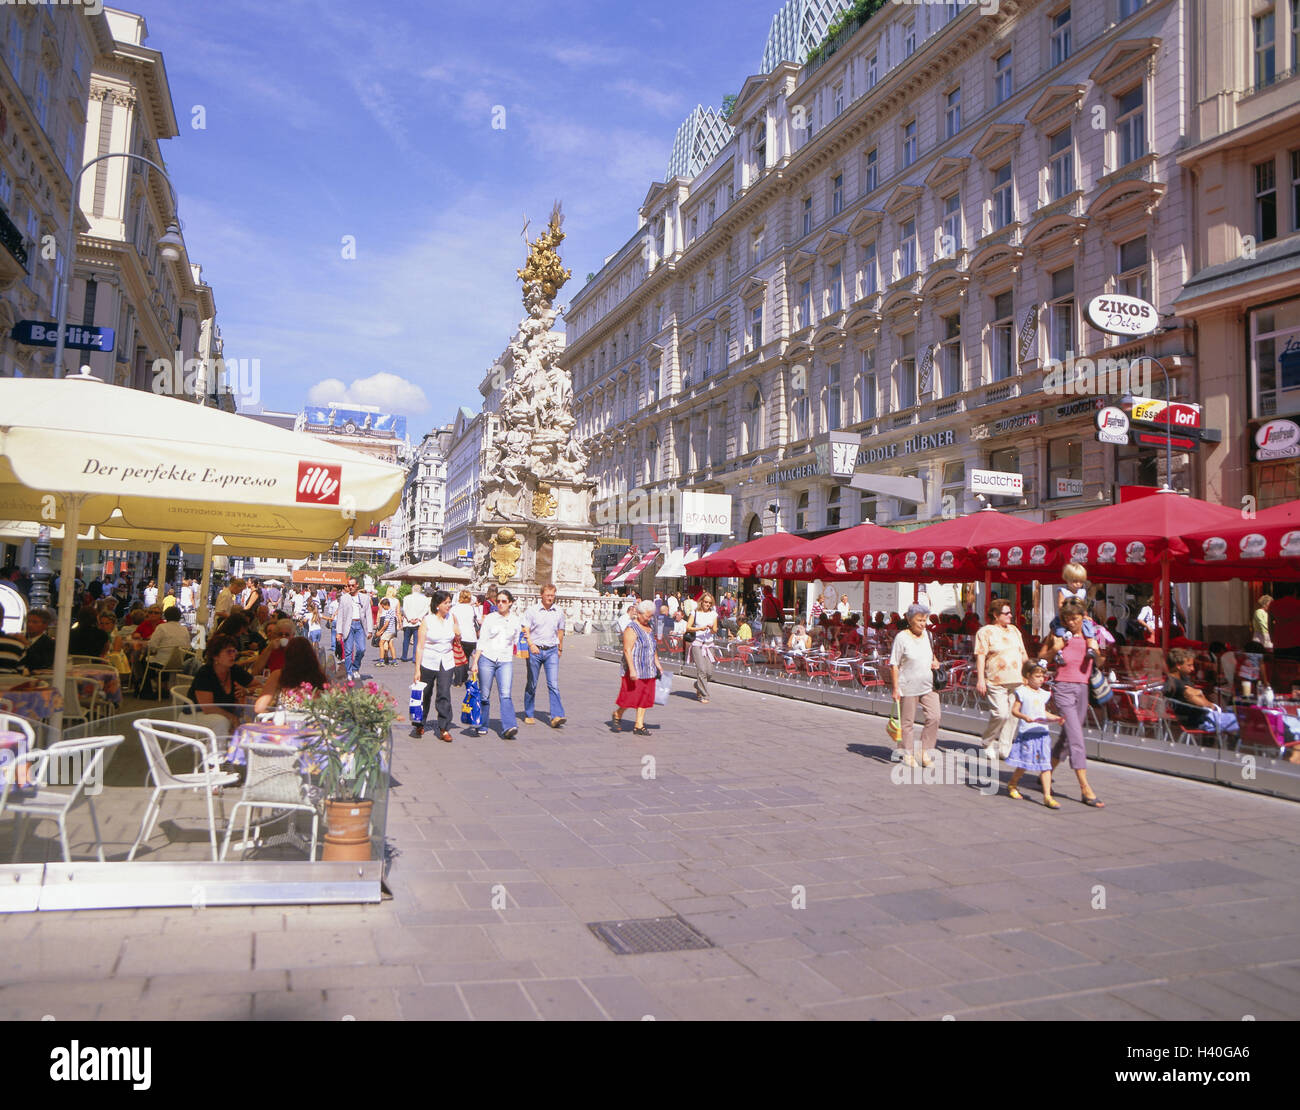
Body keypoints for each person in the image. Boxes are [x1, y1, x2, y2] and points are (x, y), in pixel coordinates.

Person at [1039, 598, 1104, 807]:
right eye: (1067, 618)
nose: (1070, 622)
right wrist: (1055, 648)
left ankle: (1046, 771)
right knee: (1076, 738)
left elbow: (1100, 661)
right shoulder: (1058, 634)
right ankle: (1085, 787)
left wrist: (1095, 649)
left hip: (1083, 687)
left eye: (1074, 618)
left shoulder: (1089, 634)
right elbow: (1040, 658)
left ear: (1083, 616)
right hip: (1063, 688)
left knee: (1067, 739)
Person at [975, 601, 1030, 760]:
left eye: (1010, 612)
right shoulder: (985, 632)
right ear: (995, 615)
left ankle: (1005, 748)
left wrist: (1029, 672)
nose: (1010, 615)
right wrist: (980, 679)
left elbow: (1023, 654)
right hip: (995, 680)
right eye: (1006, 613)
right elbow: (980, 656)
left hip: (1017, 679)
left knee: (1013, 715)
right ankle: (987, 741)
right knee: (1001, 714)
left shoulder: (1014, 630)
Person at [889, 603, 942, 768]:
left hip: (928, 684)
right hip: (908, 685)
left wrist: (935, 662)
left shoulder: (928, 635)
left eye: (924, 620)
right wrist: (896, 688)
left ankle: (925, 751)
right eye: (919, 620)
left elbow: (931, 655)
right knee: (907, 722)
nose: (922, 623)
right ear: (910, 620)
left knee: (934, 716)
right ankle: (908, 753)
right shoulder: (902, 638)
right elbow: (894, 664)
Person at [1006, 661, 1063, 807]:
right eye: (1037, 676)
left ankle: (1047, 796)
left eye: (1042, 676)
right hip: (1028, 733)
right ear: (1028, 676)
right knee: (1024, 763)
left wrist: (1055, 718)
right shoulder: (1023, 692)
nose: (1041, 679)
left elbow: (1042, 712)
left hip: (1042, 734)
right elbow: (1015, 710)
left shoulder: (1043, 694)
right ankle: (1013, 783)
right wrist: (1024, 717)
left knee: (1046, 766)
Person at [471, 588, 522, 740]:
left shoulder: (515, 620)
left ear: (510, 603)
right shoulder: (490, 619)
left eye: (504, 601)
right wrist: (475, 662)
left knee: (505, 694)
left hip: (505, 661)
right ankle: (483, 724)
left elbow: (516, 640)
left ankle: (509, 726)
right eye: (498, 601)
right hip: (487, 658)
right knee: (485, 694)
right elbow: (482, 641)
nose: (500, 604)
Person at [412, 590, 460, 742]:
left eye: (449, 602)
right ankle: (419, 723)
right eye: (446, 602)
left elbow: (458, 637)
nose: (449, 605)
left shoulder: (452, 618)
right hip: (428, 661)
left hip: (446, 661)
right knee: (425, 694)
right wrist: (417, 669)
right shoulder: (428, 620)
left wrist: (458, 633)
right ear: (438, 605)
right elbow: (419, 646)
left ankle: (444, 727)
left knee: (444, 693)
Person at [1163, 648, 1238, 736]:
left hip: (1202, 717)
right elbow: (1193, 697)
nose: (1193, 668)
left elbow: (1195, 694)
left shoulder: (1180, 679)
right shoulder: (1177, 683)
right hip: (1202, 720)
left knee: (1239, 715)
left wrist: (1199, 693)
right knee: (1243, 721)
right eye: (1189, 665)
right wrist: (1212, 705)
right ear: (1178, 665)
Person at [614, 600, 661, 736]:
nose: (649, 618)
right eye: (647, 616)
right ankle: (618, 713)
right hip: (635, 667)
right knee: (631, 697)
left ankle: (639, 725)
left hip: (649, 668)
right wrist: (632, 669)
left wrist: (657, 663)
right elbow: (627, 650)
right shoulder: (631, 628)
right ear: (639, 614)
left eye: (651, 616)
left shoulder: (650, 627)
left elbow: (653, 647)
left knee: (645, 696)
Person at [523, 583, 566, 728]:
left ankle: (556, 715)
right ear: (541, 595)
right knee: (532, 683)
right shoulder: (532, 610)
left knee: (553, 684)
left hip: (552, 650)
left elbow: (560, 631)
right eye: (548, 595)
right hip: (535, 650)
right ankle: (529, 713)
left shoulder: (558, 611)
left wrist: (560, 648)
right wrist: (531, 645)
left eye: (552, 595)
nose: (550, 598)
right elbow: (525, 629)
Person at [254, 636, 328, 714]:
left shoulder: (278, 675)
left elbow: (259, 708)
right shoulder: (319, 677)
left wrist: (273, 715)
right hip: (312, 723)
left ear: (287, 655)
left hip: (285, 723)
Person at [333, 577, 374, 681]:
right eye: (348, 585)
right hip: (349, 625)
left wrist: (370, 630)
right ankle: (349, 672)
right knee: (348, 651)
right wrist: (339, 632)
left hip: (360, 625)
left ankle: (355, 668)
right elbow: (340, 615)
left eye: (352, 585)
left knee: (361, 649)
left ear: (357, 586)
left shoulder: (364, 598)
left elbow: (368, 614)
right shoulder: (344, 598)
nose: (350, 587)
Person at [686, 591, 719, 703]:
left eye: (710, 603)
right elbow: (688, 627)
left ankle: (698, 684)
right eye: (705, 602)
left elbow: (715, 630)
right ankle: (704, 695)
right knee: (702, 670)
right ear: (701, 602)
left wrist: (711, 628)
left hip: (709, 644)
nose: (707, 604)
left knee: (709, 672)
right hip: (697, 643)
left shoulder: (713, 614)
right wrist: (699, 629)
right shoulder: (694, 613)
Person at [18, 607, 55, 672]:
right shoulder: (19, 638)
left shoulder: (49, 644)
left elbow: (43, 664)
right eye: (28, 621)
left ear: (45, 625)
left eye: (35, 622)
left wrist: (27, 644)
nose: (30, 624)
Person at [451, 590, 480, 666]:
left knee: (458, 660)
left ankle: (459, 677)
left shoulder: (454, 608)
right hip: (471, 638)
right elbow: (479, 621)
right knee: (466, 659)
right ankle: (464, 676)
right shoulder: (472, 608)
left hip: (458, 637)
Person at [401, 586, 430, 663]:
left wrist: (409, 618)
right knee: (417, 641)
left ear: (412, 590)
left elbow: (404, 609)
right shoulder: (424, 599)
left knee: (406, 640)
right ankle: (415, 657)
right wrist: (419, 618)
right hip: (418, 622)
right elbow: (426, 610)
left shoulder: (406, 598)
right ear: (420, 590)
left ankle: (404, 656)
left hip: (408, 622)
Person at [376, 597, 399, 666]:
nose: (383, 608)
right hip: (392, 631)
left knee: (381, 643)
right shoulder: (392, 611)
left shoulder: (388, 612)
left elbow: (386, 624)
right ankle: (394, 660)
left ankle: (381, 660)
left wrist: (380, 631)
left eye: (383, 606)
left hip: (388, 631)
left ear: (386, 605)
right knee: (391, 645)